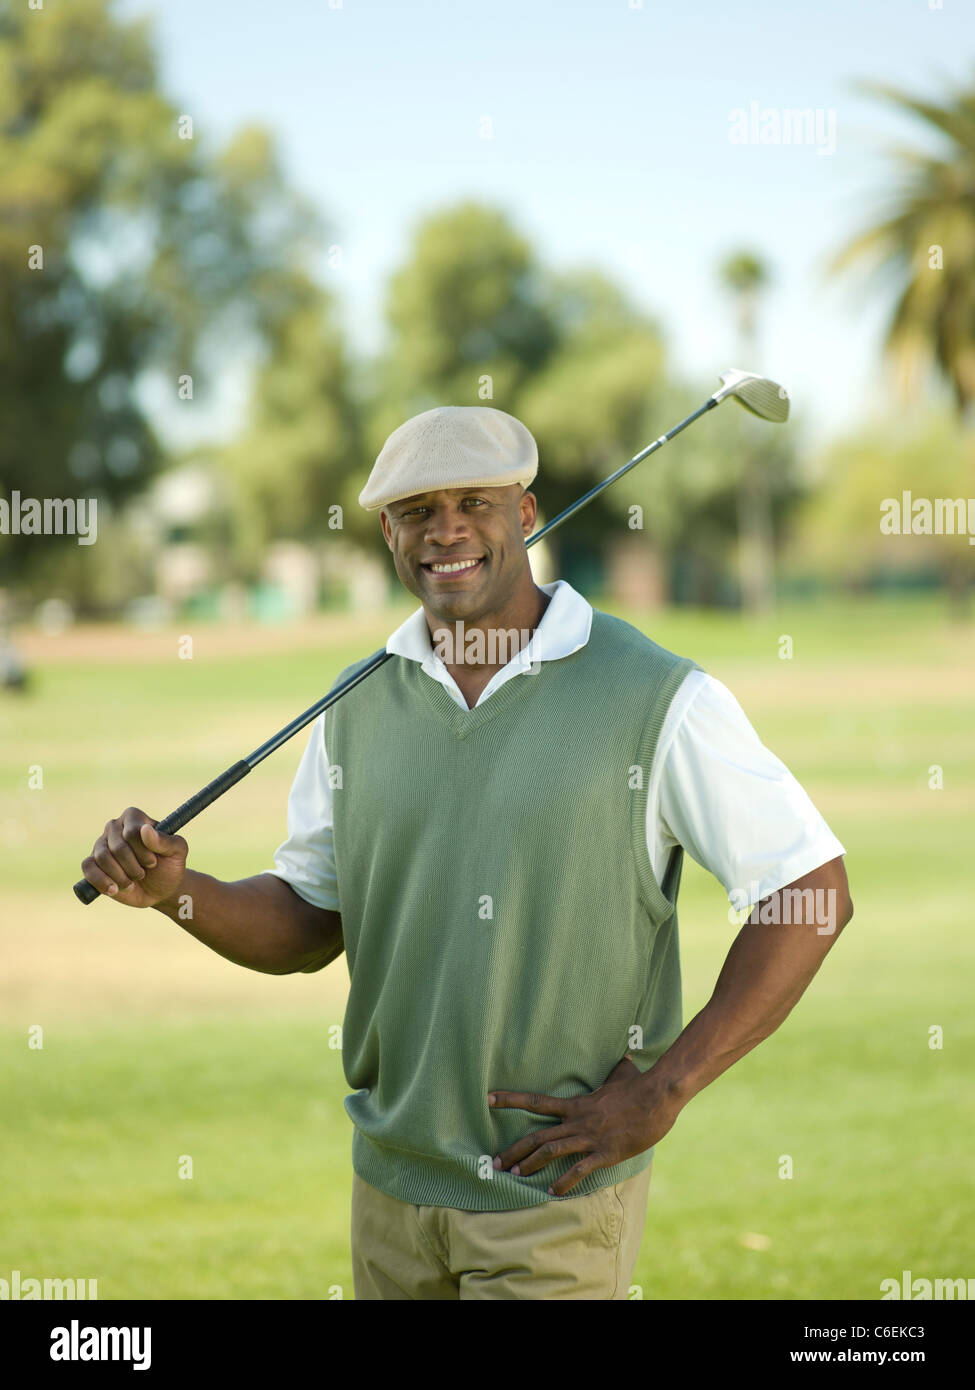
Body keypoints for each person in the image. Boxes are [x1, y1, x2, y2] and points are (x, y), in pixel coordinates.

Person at [81, 405, 853, 1301]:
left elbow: (809, 888)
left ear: (525, 516)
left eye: (472, 502)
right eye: (415, 510)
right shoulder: (356, 706)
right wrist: (181, 892)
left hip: (551, 1200)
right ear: (386, 533)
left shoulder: (656, 696)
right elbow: (310, 919)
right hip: (390, 1193)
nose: (445, 530)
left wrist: (663, 1088)